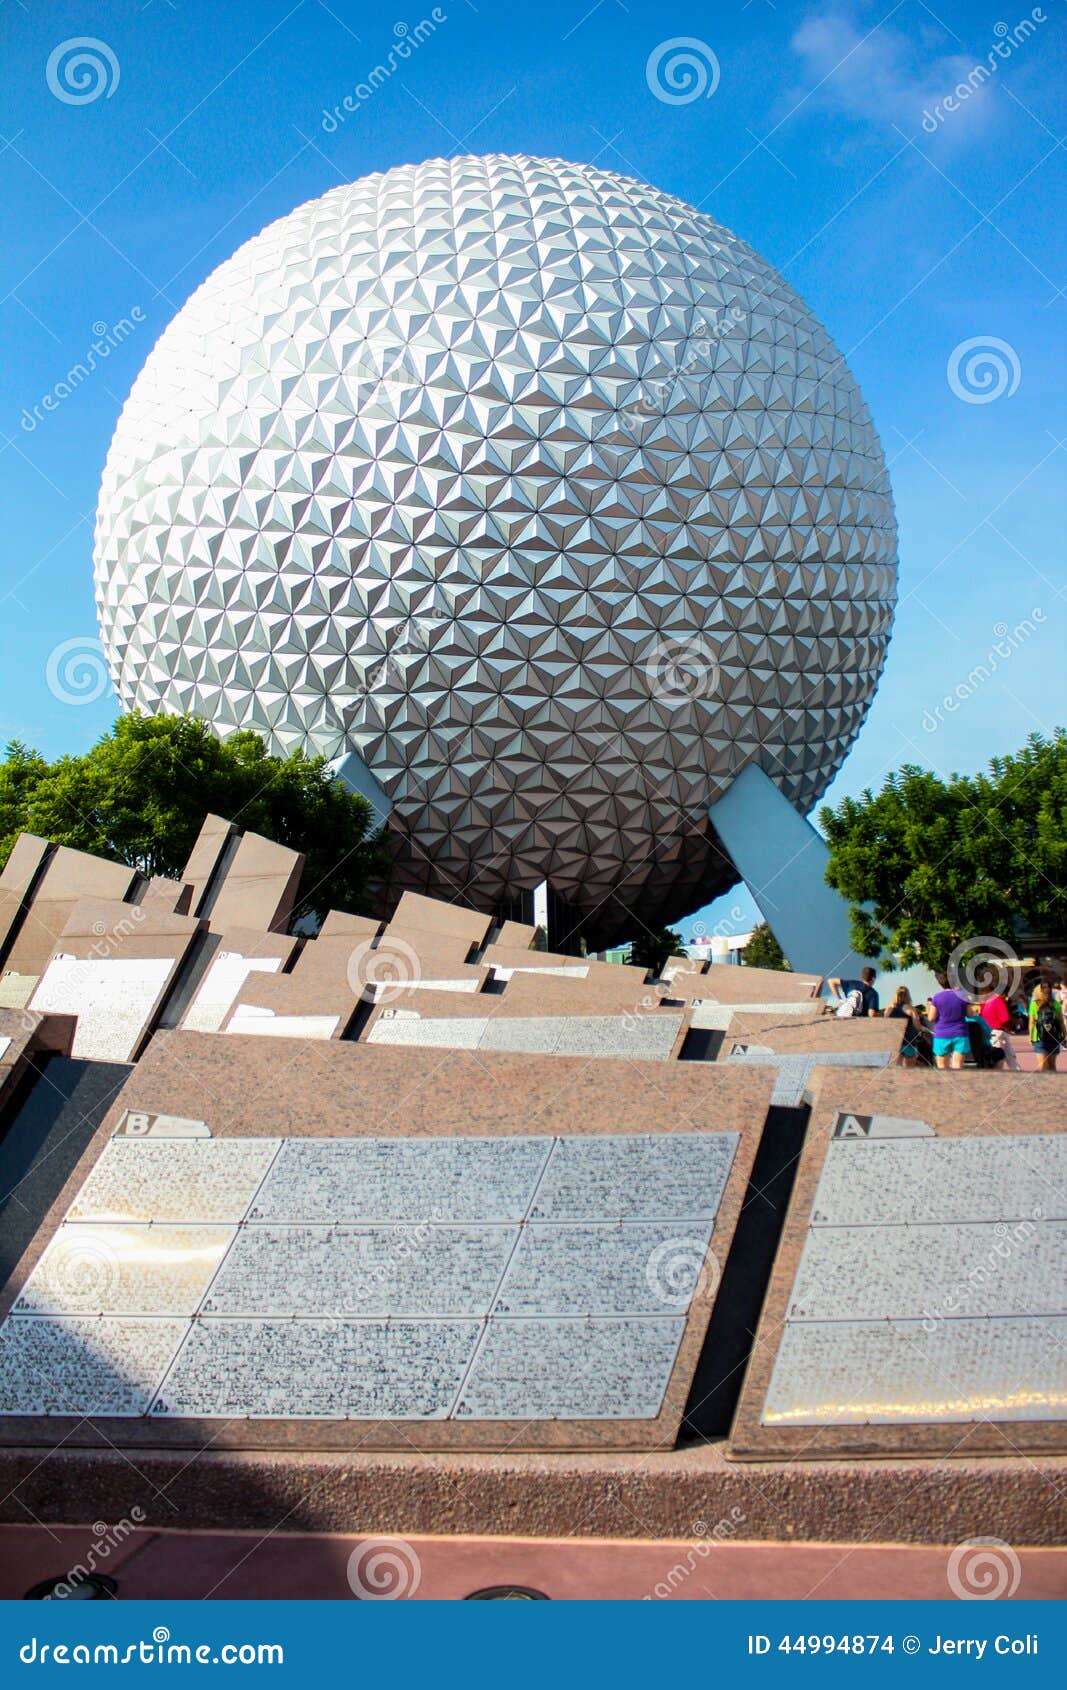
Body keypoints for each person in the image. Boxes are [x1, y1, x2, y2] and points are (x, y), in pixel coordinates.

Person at [927, 970, 971, 1070]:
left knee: (942, 1068)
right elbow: (970, 1015)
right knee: (958, 1067)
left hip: (942, 1034)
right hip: (960, 1033)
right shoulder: (962, 996)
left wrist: (930, 1006)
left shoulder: (937, 997)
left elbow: (931, 1018)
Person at [979, 987, 1020, 1071]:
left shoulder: (984, 1003)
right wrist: (1011, 1027)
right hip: (999, 1031)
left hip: (990, 1032)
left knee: (1006, 1055)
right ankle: (1015, 1072)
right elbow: (1005, 1019)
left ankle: (1014, 1071)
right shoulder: (998, 1000)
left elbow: (981, 1016)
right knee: (1002, 1057)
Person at [1028, 980, 1065, 1073]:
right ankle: (1054, 1084)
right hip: (1054, 1036)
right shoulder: (1055, 1003)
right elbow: (1061, 1021)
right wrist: (1064, 1034)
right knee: (1052, 1065)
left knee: (1043, 1065)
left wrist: (1030, 1036)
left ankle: (1043, 1085)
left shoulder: (1034, 1004)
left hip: (1039, 1036)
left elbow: (1032, 1022)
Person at [886, 985, 923, 1066]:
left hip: (894, 1042)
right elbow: (917, 1026)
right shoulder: (910, 1009)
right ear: (908, 996)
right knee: (909, 1071)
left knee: (896, 1070)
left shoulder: (889, 1009)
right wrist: (920, 1031)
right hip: (909, 1041)